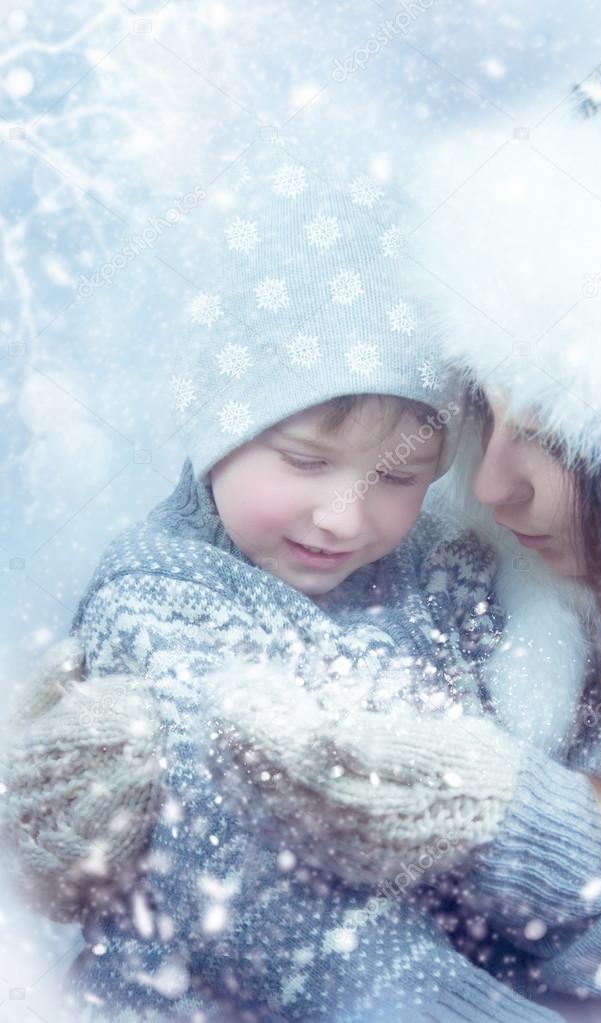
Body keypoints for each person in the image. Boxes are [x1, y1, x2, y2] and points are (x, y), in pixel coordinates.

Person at [1, 144, 565, 1022]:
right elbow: (265, 904)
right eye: (305, 461)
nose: (344, 518)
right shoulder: (161, 602)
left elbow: (552, 760)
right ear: (219, 432)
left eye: (395, 479)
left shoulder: (441, 570)